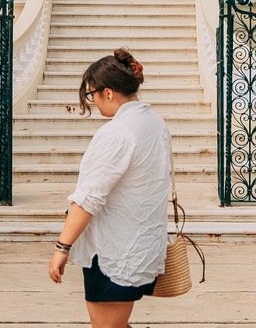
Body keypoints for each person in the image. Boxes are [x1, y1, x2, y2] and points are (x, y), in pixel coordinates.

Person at [46, 48, 172, 326]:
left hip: (113, 253)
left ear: (108, 92)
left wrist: (62, 247)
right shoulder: (154, 122)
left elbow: (89, 197)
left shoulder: (117, 132)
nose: (93, 101)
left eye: (92, 94)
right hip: (141, 245)